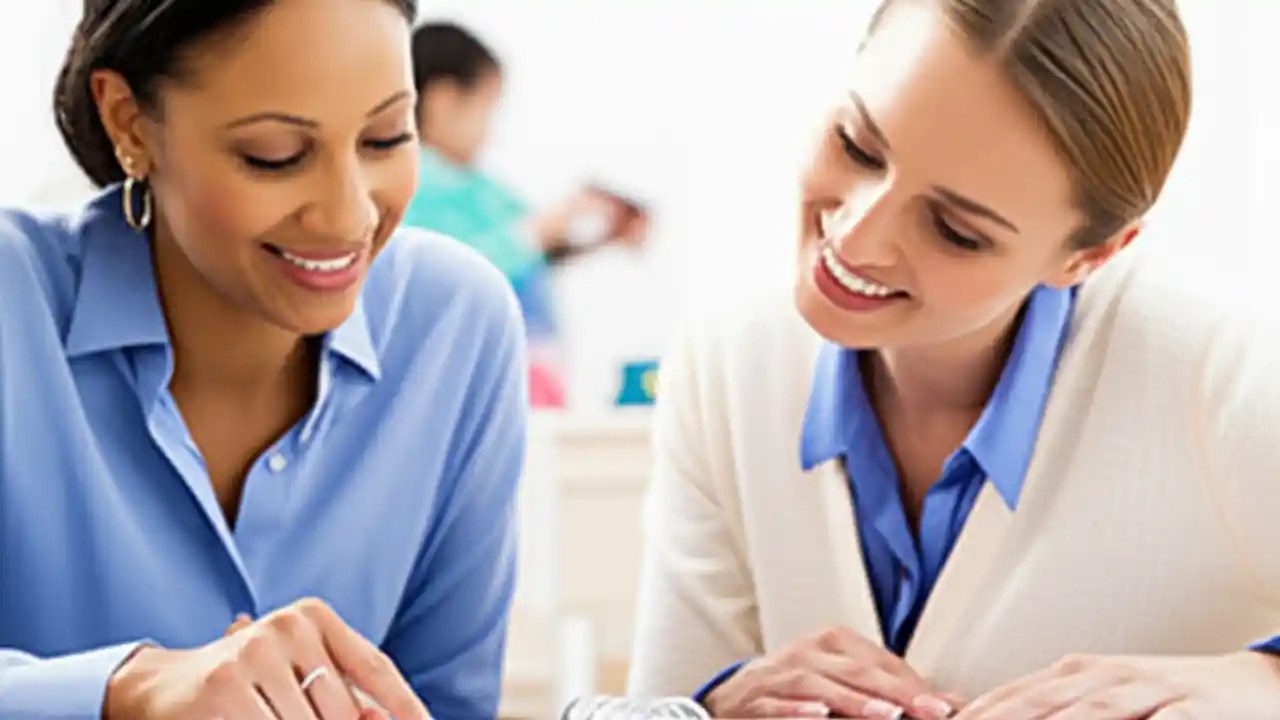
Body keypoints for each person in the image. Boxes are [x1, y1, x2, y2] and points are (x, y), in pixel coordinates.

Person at [628, 0, 1280, 718]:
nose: (857, 237)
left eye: (955, 230)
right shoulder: (728, 360)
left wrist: (1258, 682)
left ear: (1089, 255)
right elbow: (661, 700)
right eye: (858, 145)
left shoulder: (1225, 375)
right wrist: (717, 706)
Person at [0, 1, 525, 718]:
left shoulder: (457, 327)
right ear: (128, 122)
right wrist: (128, 688)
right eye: (274, 155)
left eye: (385, 138)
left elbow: (443, 705)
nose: (349, 217)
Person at [403, 21, 647, 407]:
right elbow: (452, 275)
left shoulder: (482, 188)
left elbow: (531, 258)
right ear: (444, 100)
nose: (490, 133)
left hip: (529, 377)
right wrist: (541, 229)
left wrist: (597, 237)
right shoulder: (409, 183)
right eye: (487, 110)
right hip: (460, 386)